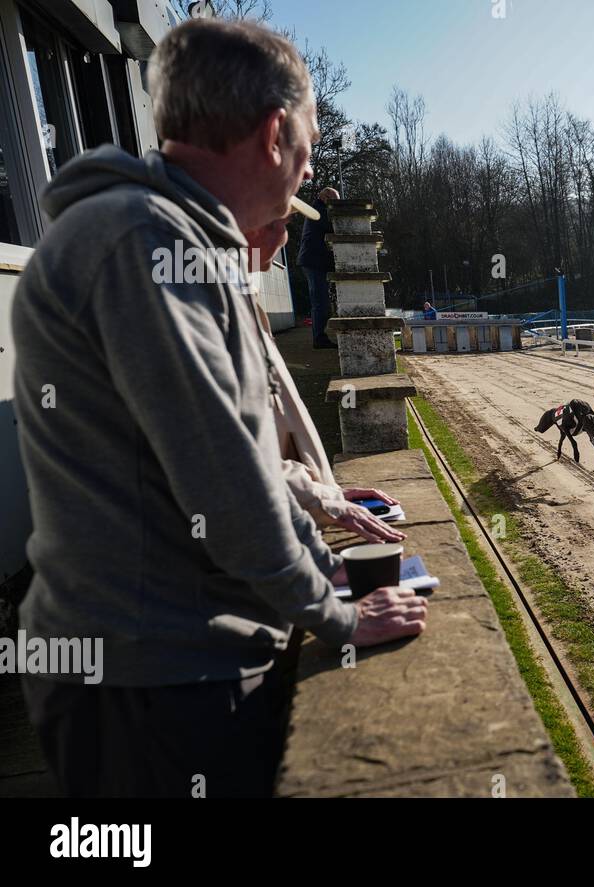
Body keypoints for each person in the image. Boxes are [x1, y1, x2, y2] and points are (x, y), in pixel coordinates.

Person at [11, 19, 426, 798]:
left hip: (160, 669)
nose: (304, 173)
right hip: (159, 682)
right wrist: (338, 614)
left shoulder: (164, 237)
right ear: (275, 135)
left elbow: (236, 468)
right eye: (306, 147)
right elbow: (226, 477)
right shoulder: (141, 241)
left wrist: (319, 560)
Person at [245, 216, 405, 544]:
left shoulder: (243, 300)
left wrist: (324, 491)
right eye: (270, 219)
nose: (282, 240)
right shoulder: (197, 307)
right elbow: (225, 469)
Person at [298, 185, 340, 348]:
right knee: (320, 302)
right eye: (335, 201)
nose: (337, 204)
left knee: (321, 301)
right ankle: (319, 338)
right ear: (326, 198)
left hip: (314, 261)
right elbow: (331, 227)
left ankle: (319, 336)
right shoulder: (317, 211)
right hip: (313, 262)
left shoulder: (318, 209)